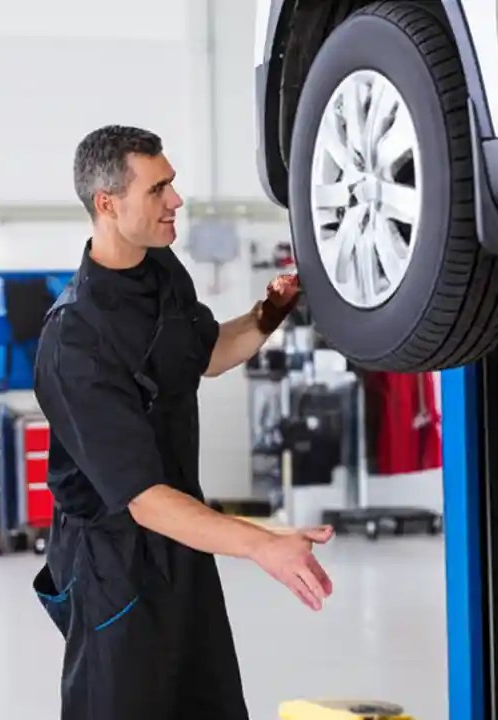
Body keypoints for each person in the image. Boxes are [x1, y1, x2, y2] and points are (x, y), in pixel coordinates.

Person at [32, 125, 335, 719]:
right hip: (115, 566)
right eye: (159, 189)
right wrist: (262, 547)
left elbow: (209, 355)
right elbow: (142, 500)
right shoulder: (74, 341)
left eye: (172, 183)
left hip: (184, 539)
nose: (176, 200)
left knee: (207, 701)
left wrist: (269, 312)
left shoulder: (163, 271)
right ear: (108, 204)